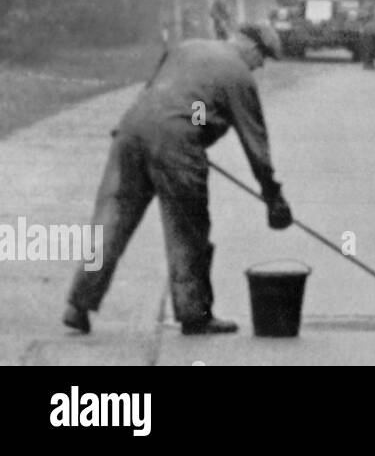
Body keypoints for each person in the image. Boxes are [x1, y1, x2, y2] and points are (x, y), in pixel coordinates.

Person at [63, 24, 294, 336]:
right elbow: (256, 145)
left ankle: (78, 303)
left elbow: (169, 94)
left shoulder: (187, 48)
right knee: (188, 228)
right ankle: (194, 312)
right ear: (252, 48)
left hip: (130, 132)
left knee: (111, 223)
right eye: (264, 57)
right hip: (176, 144)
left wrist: (190, 131)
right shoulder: (239, 74)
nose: (261, 65)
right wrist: (273, 196)